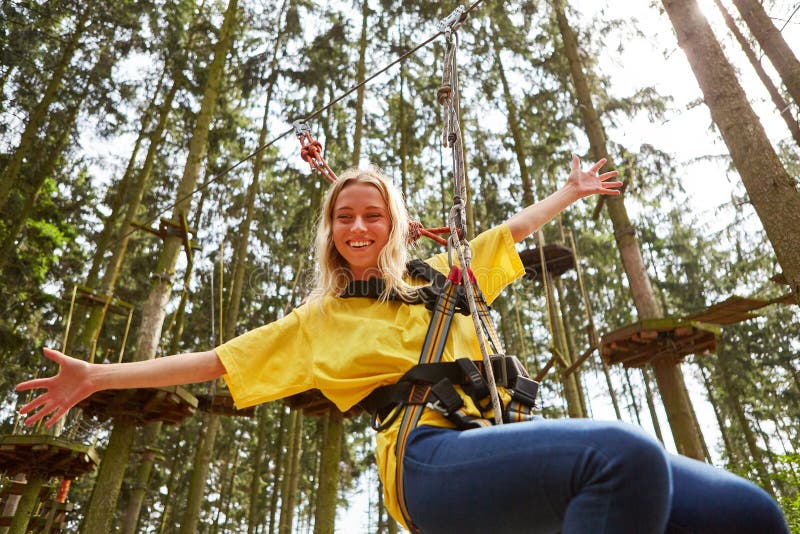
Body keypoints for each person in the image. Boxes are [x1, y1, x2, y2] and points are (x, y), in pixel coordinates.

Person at [17, 157, 787, 533]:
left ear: (395, 225)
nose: (358, 227)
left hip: (503, 445)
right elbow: (216, 361)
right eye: (345, 216)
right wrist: (96, 376)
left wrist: (570, 192)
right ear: (331, 230)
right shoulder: (319, 320)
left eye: (373, 216)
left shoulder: (446, 281)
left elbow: (513, 232)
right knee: (622, 454)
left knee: (751, 514)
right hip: (428, 466)